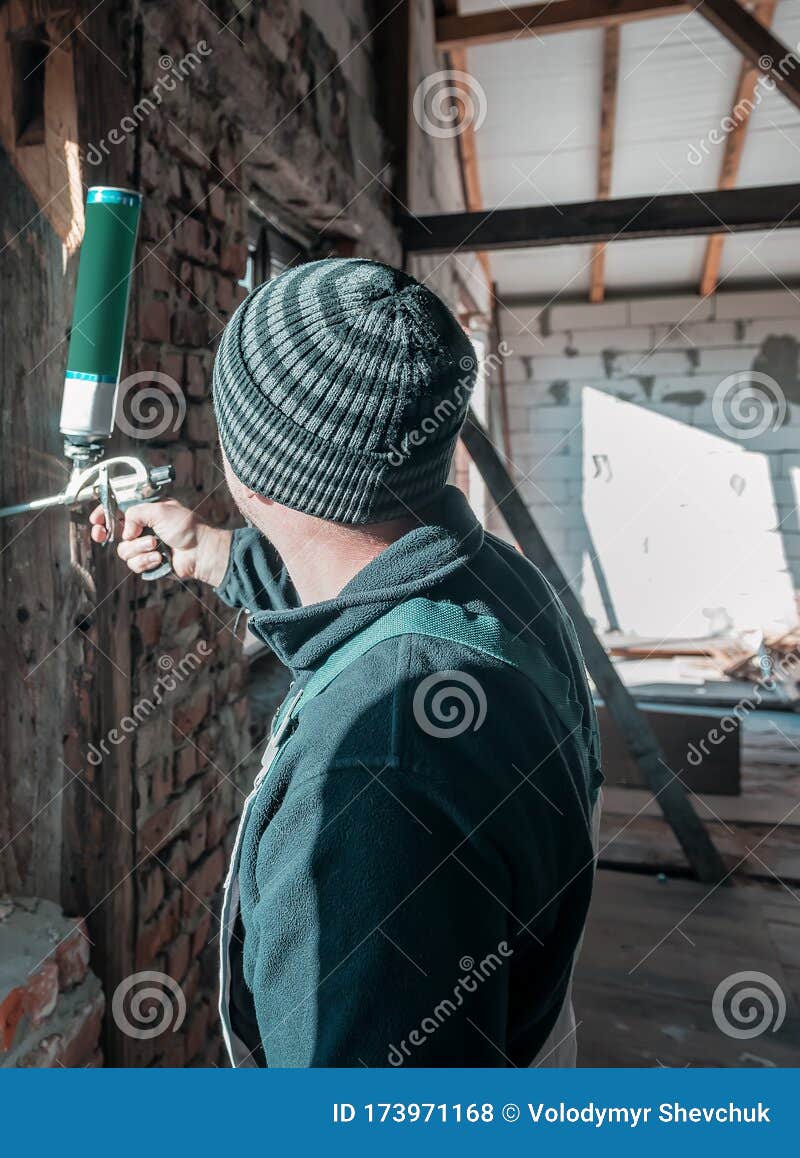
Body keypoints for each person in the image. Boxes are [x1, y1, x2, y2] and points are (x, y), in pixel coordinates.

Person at [94, 258, 601, 1067]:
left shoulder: (379, 774)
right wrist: (210, 552)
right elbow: (353, 580)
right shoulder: (501, 582)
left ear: (250, 472)